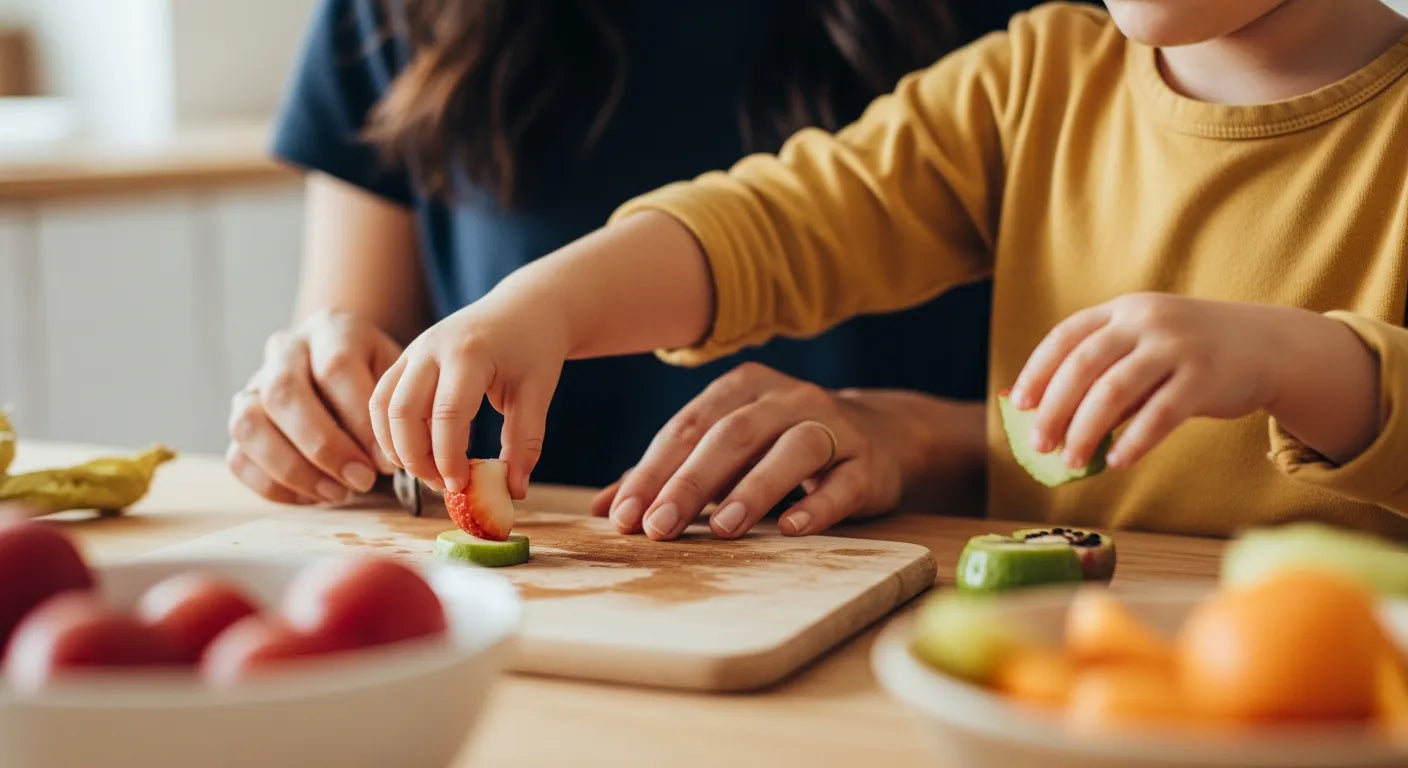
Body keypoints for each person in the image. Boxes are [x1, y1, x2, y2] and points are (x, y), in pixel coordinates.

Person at [370, 0, 1408, 542]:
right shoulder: (1034, 76)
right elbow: (791, 216)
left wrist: (1305, 363)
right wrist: (541, 304)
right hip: (1056, 686)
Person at [226, 0, 1049, 506]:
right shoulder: (395, 15)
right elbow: (358, 351)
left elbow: (1119, 430)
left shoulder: (1079, 36)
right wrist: (322, 408)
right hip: (535, 636)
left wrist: (913, 437)